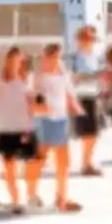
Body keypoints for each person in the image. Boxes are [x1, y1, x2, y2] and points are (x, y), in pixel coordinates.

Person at [0, 46, 39, 213]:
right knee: (9, 167)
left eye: (19, 60)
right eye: (13, 59)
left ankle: (31, 193)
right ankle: (16, 201)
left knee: (32, 163)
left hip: (24, 127)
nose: (16, 63)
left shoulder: (27, 80)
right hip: (5, 127)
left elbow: (32, 105)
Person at [32, 42, 84, 212]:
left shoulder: (62, 71)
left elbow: (68, 91)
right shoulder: (40, 73)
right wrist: (41, 106)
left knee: (64, 161)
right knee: (41, 159)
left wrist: (75, 106)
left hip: (61, 118)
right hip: (45, 119)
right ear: (47, 56)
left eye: (58, 56)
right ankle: (32, 194)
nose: (56, 59)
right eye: (53, 56)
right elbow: (34, 95)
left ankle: (61, 198)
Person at [67, 25, 105, 176]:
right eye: (87, 38)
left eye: (92, 39)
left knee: (94, 133)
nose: (90, 42)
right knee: (88, 132)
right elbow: (71, 78)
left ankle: (87, 162)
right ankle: (86, 164)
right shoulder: (74, 57)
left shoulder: (95, 57)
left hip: (94, 96)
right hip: (81, 97)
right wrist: (90, 76)